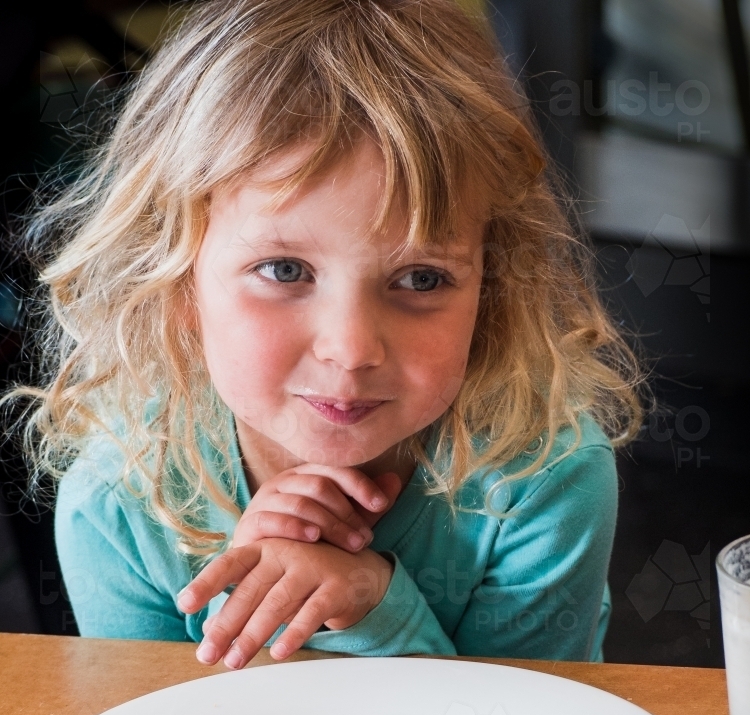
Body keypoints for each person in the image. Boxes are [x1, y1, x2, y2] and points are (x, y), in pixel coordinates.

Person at [10, 0, 641, 668]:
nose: (351, 349)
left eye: (421, 279)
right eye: (284, 270)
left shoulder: (543, 481)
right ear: (174, 280)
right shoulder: (123, 500)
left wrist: (372, 607)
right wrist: (255, 599)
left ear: (494, 290)